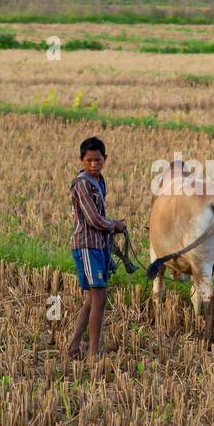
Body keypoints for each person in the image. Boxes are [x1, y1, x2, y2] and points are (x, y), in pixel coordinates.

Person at [67, 136, 126, 359]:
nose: (94, 164)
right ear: (81, 160)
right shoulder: (82, 183)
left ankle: (74, 346)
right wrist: (114, 225)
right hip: (86, 245)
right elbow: (93, 219)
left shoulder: (99, 181)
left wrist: (111, 225)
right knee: (99, 296)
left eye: (98, 160)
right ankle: (93, 352)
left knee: (92, 299)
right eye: (89, 160)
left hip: (98, 244)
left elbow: (99, 216)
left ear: (105, 160)